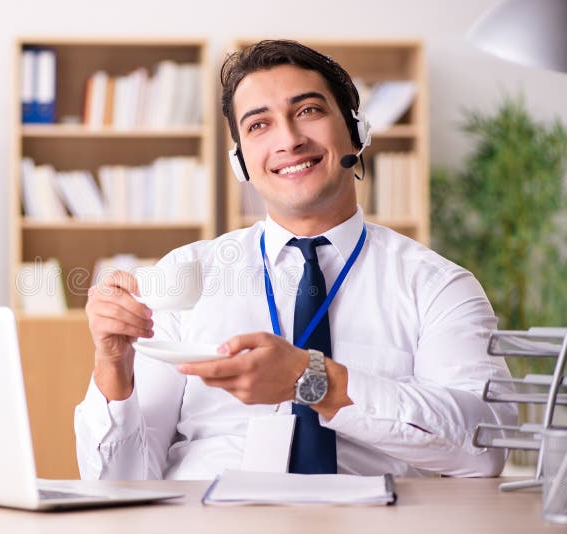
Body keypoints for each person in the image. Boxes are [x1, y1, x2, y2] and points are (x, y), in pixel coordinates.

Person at [75, 39, 517, 480]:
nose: (288, 139)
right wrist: (113, 366)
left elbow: (485, 446)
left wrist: (313, 380)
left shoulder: (438, 285)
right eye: (259, 125)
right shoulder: (185, 273)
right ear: (240, 164)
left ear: (357, 132)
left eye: (308, 111)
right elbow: (119, 482)